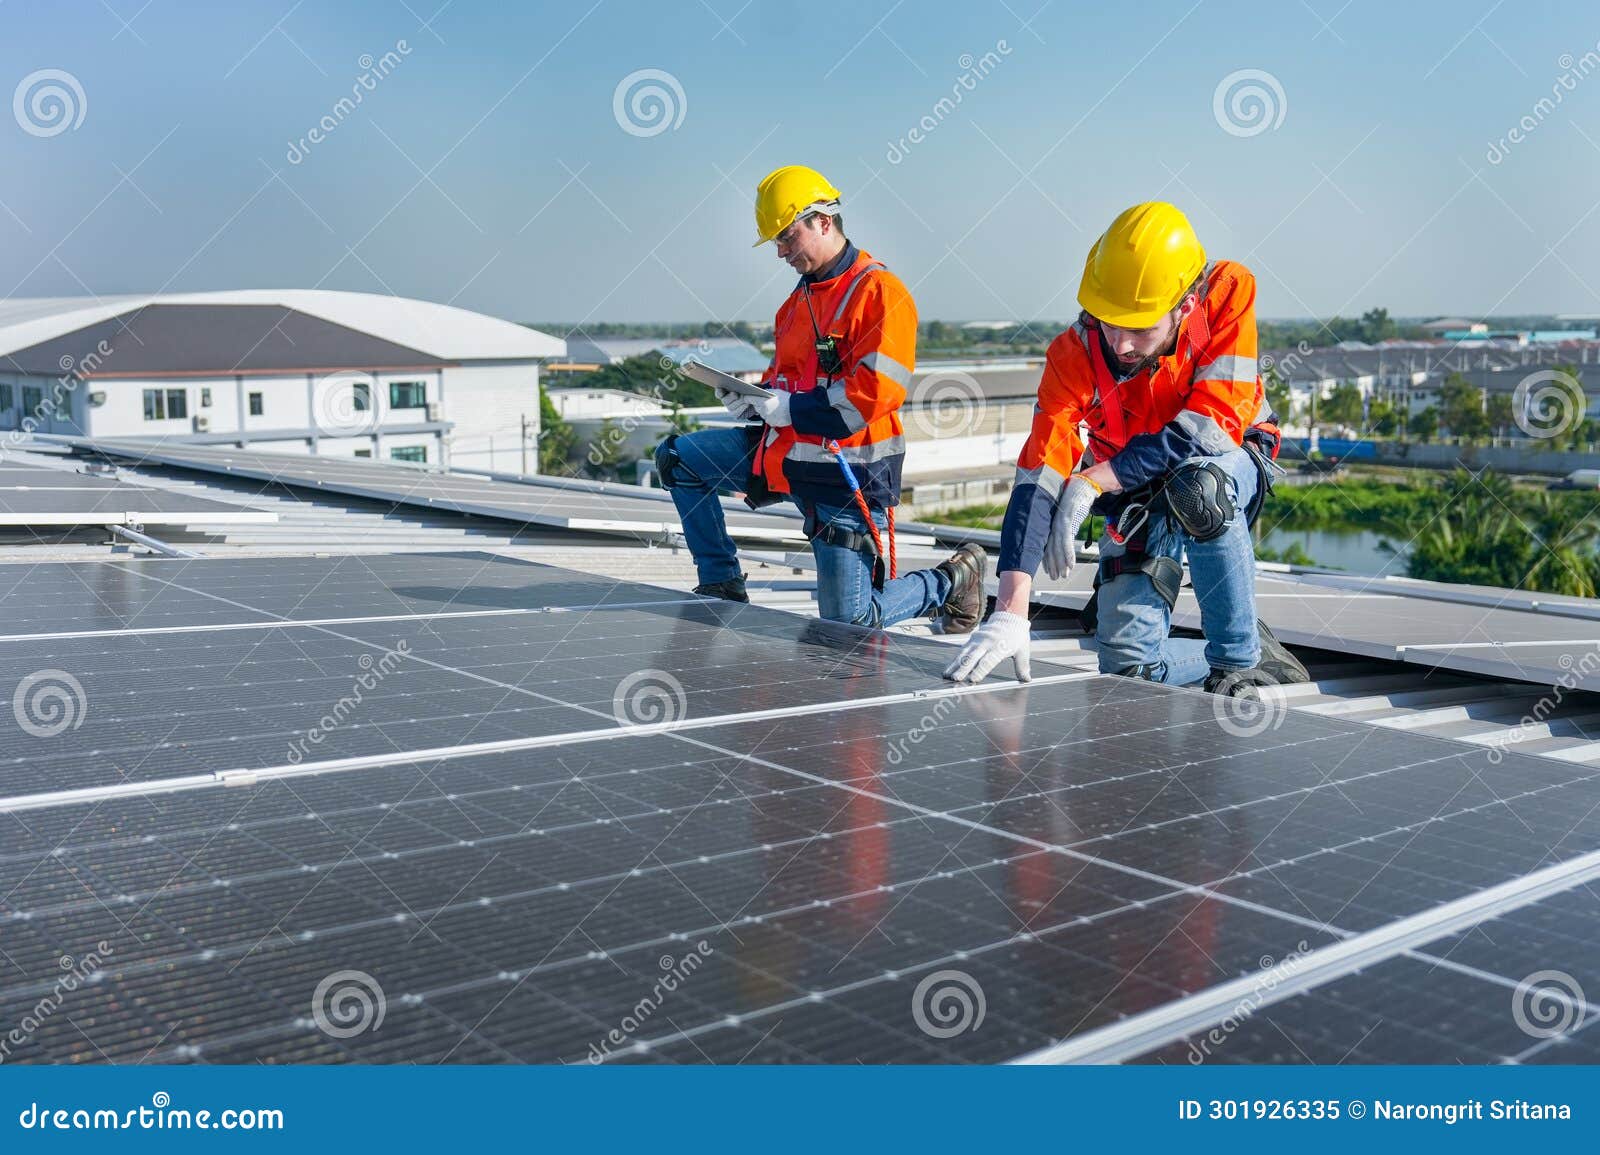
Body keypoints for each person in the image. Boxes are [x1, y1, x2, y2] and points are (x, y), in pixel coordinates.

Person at [944, 201, 1307, 694]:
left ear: (1185, 307)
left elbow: (1210, 427)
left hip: (1224, 462)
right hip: (1138, 486)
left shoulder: (1225, 295)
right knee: (1127, 672)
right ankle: (1259, 653)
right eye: (1111, 323)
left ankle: (1237, 665)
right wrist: (1011, 611)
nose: (1120, 345)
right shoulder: (1073, 355)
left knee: (1201, 487)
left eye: (1139, 329)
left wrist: (1094, 479)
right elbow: (1040, 472)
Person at [656, 164, 986, 632]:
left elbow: (876, 392)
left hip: (846, 474)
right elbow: (786, 376)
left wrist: (790, 408)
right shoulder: (796, 303)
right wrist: (754, 398)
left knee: (848, 620)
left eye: (787, 237)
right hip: (787, 456)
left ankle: (950, 582)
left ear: (824, 222)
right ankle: (722, 581)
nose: (781, 252)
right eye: (776, 241)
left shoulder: (880, 293)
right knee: (678, 459)